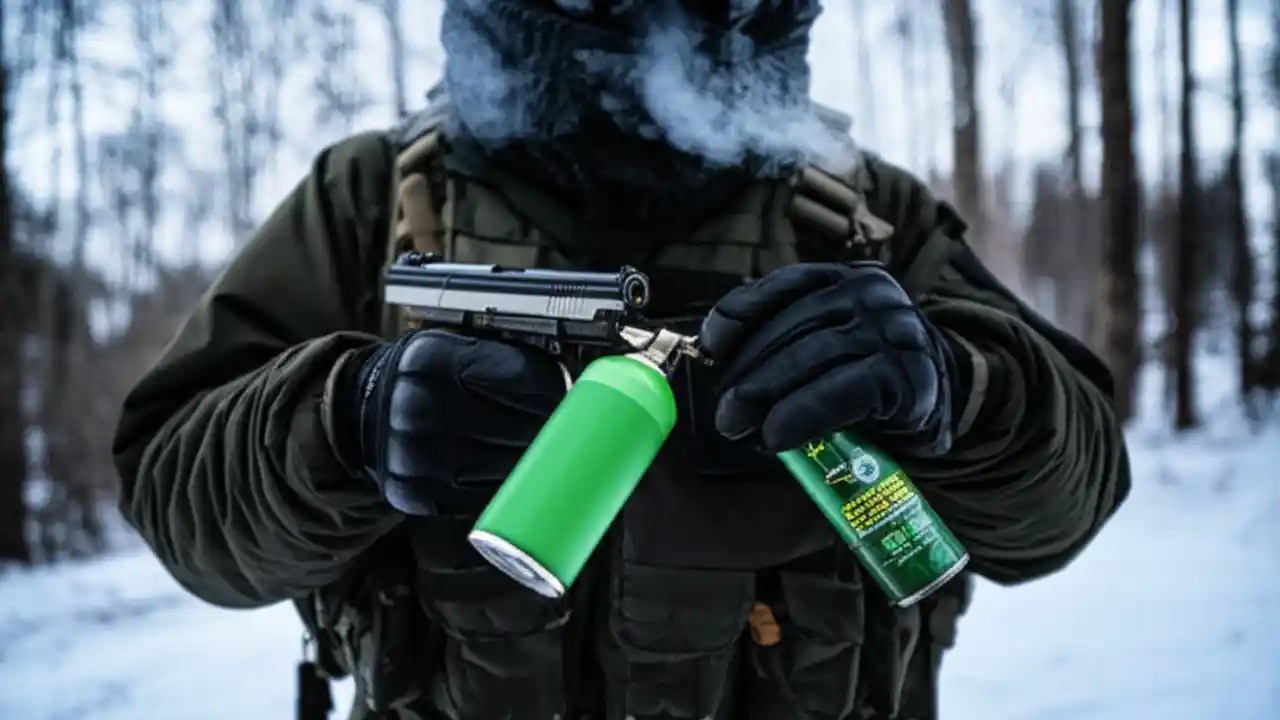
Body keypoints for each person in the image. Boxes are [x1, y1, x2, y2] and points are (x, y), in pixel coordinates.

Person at [112, 1, 1131, 718]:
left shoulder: (863, 217)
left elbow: (1064, 506)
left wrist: (960, 386)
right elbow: (177, 495)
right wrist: (345, 417)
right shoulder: (377, 195)